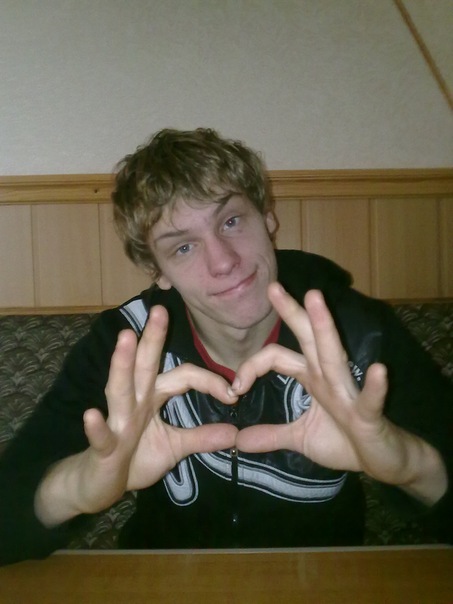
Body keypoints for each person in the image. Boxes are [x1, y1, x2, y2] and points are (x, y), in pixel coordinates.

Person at [0, 128, 451, 566]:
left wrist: (412, 465)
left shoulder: (360, 332)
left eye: (231, 221)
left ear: (268, 217)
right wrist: (78, 487)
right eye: (183, 248)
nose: (223, 261)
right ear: (157, 271)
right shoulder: (124, 347)